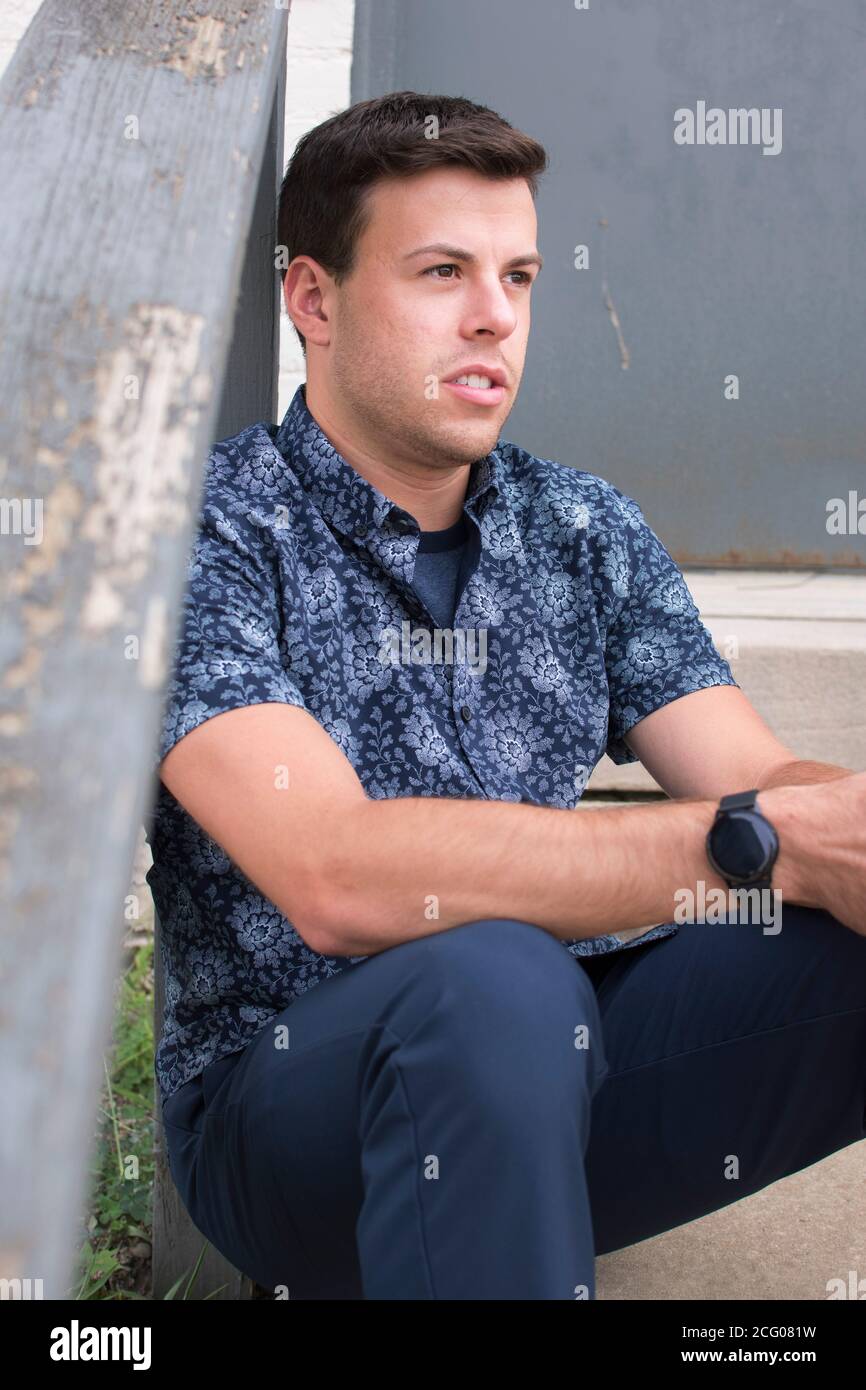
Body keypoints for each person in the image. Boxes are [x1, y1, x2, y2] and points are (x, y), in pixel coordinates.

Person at [146, 91, 866, 1300]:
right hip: (292, 1120)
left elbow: (754, 776)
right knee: (492, 975)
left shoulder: (580, 525)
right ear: (313, 299)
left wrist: (825, 817)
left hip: (559, 1073)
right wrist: (751, 845)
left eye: (520, 276)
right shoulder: (204, 533)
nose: (494, 317)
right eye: (441, 272)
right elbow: (333, 873)